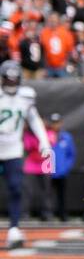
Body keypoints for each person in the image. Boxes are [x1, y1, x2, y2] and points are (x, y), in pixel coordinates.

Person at [0, 60, 51, 247]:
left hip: (13, 148)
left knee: (15, 187)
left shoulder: (26, 96)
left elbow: (34, 119)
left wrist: (44, 143)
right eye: (7, 80)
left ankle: (14, 228)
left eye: (14, 80)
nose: (11, 84)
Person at [22, 120, 56, 221]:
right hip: (31, 165)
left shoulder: (49, 133)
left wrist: (40, 139)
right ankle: (25, 213)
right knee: (27, 190)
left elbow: (49, 145)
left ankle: (46, 213)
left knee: (46, 191)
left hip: (46, 164)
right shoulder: (28, 134)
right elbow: (27, 146)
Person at [48, 113, 75, 221]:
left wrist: (66, 167)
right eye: (53, 123)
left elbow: (71, 154)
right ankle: (47, 214)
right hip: (48, 171)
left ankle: (62, 214)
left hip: (62, 171)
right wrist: (46, 168)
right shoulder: (46, 135)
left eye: (57, 122)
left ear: (61, 123)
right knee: (47, 195)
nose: (56, 125)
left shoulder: (66, 137)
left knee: (62, 195)